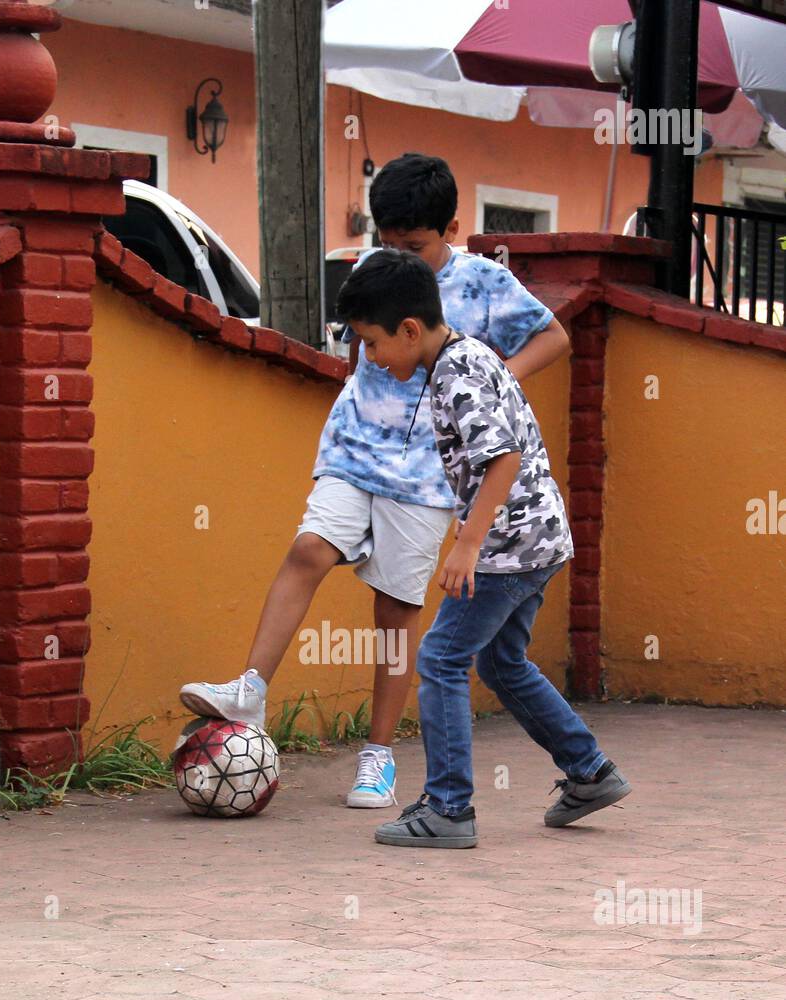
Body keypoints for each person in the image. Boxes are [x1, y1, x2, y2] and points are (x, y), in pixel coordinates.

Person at [179, 153, 569, 809]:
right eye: (389, 243)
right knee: (308, 548)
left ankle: (378, 755)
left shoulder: (484, 283)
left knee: (393, 610)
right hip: (357, 443)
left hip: (426, 472)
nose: (400, 257)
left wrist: (499, 382)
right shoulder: (371, 269)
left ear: (451, 225)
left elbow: (554, 336)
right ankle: (249, 690)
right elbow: (359, 350)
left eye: (413, 245)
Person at [335, 248, 631, 848]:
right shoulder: (464, 354)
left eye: (370, 342)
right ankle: (589, 771)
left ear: (410, 330)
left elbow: (502, 457)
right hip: (538, 537)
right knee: (500, 662)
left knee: (440, 660)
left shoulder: (456, 373)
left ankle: (449, 808)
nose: (367, 356)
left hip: (509, 546)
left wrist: (468, 544)